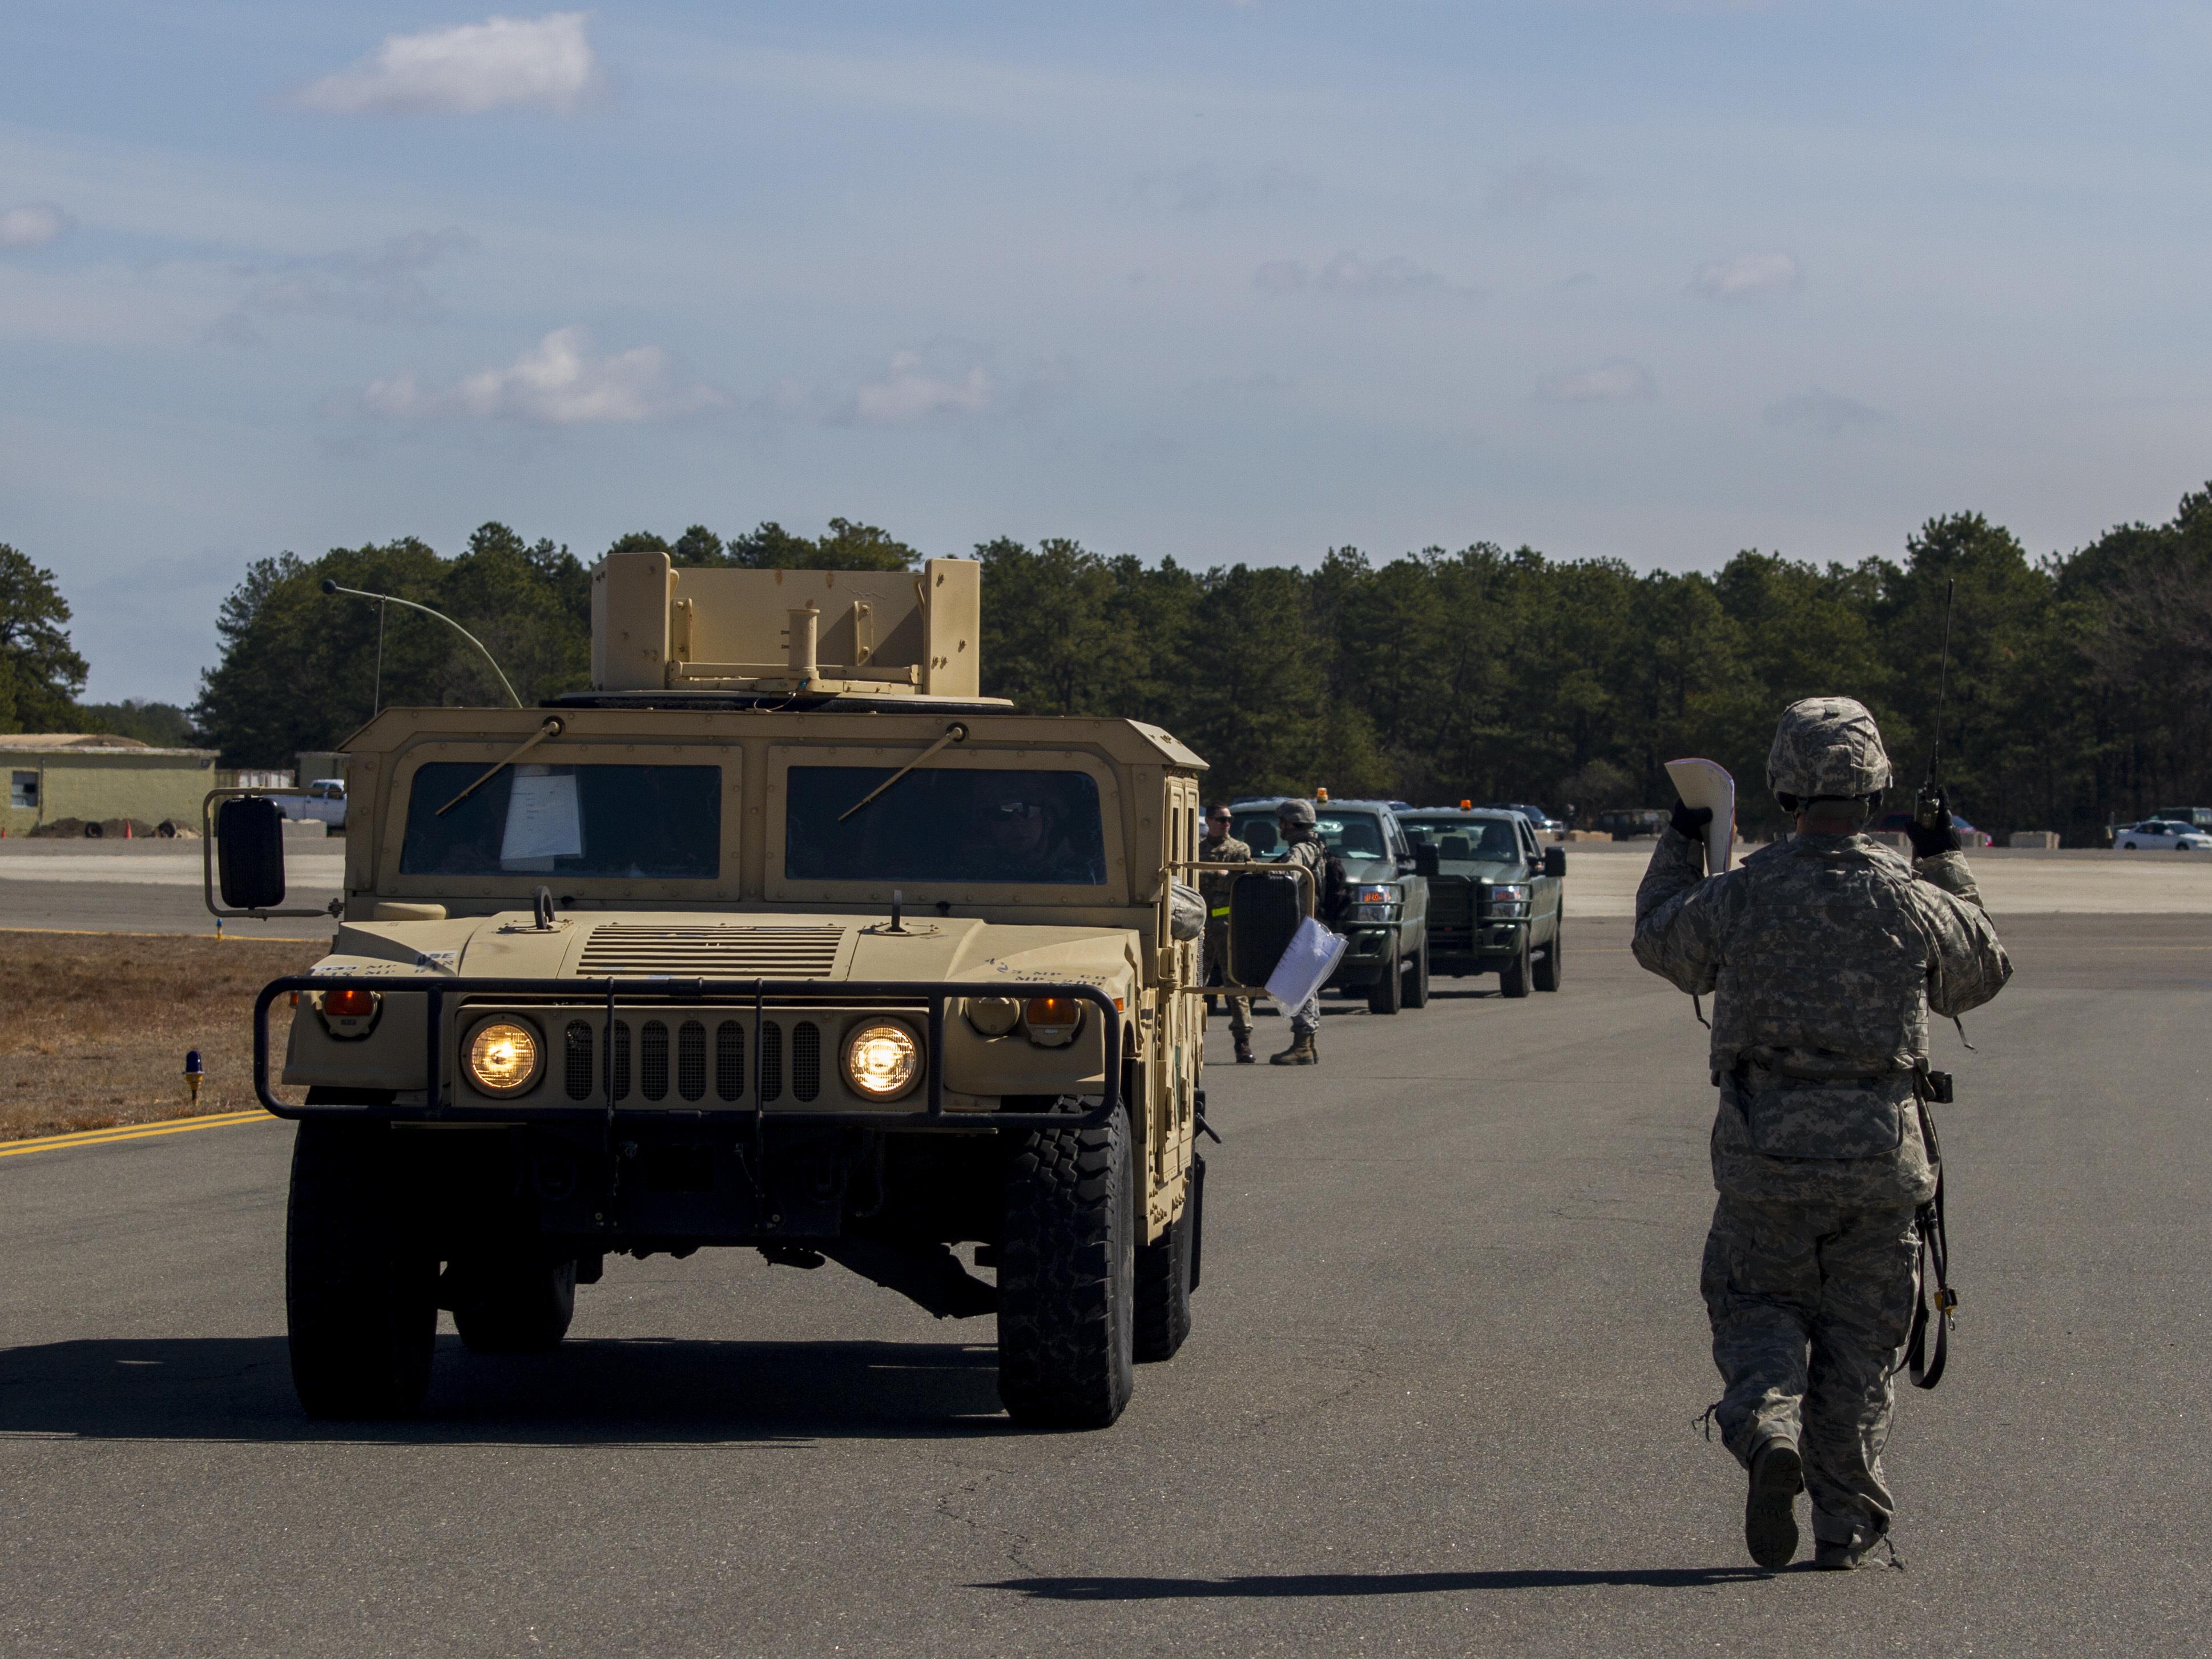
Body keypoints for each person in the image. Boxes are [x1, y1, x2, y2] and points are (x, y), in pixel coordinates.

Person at [1632, 697, 2012, 1571]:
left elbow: (1661, 940)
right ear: (1875, 789)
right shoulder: (1908, 896)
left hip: (1765, 1157)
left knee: (1757, 1310)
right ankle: (1845, 1521)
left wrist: (1683, 838)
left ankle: (1768, 1429)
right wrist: (1944, 857)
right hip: (1879, 1161)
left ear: (1780, 788)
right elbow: (1979, 970)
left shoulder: (1739, 895)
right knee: (1859, 1348)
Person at [1269, 798, 1331, 1066]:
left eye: (1282, 823)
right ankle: (1308, 1044)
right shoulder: (1317, 846)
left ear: (1291, 824)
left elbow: (1286, 877)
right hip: (1310, 925)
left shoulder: (1302, 850)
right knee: (1305, 983)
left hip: (1298, 927)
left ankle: (1303, 1046)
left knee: (1298, 985)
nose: (1280, 828)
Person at [1198, 804, 1255, 1064]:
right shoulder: (1196, 849)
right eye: (1221, 819)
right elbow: (1193, 879)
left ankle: (1243, 1041)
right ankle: (1190, 1036)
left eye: (1230, 819)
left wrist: (1217, 875)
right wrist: (1217, 873)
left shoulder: (1239, 850)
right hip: (1197, 926)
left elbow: (1238, 880)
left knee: (1234, 984)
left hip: (1226, 926)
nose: (1226, 823)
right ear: (1209, 820)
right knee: (1195, 984)